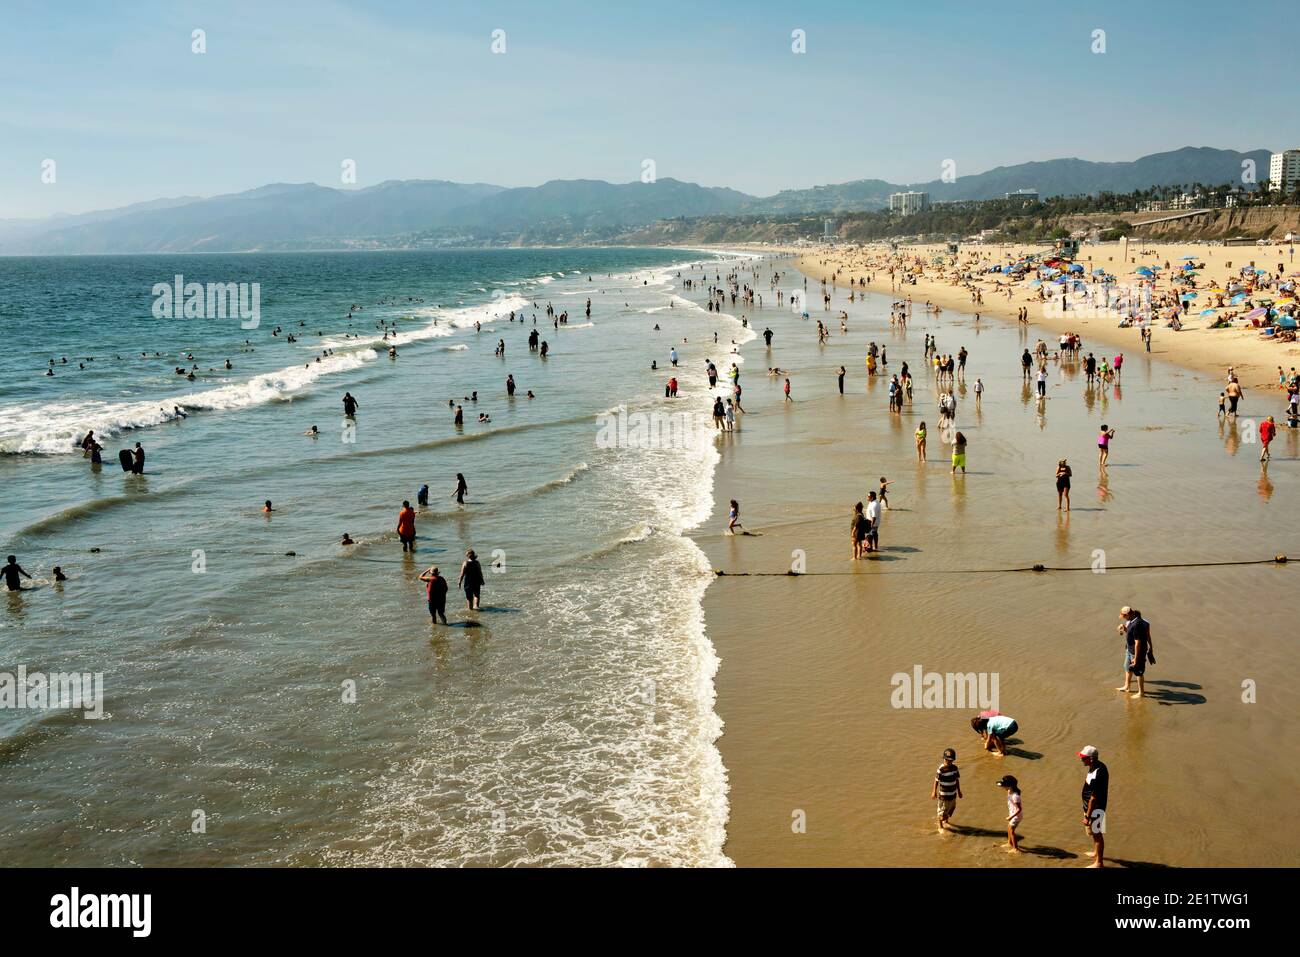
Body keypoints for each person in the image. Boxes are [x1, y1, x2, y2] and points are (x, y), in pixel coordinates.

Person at [1078, 745, 1108, 867]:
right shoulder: (1093, 766)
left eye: (1083, 758)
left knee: (1097, 833)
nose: (1081, 760)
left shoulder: (1099, 771)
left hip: (1096, 808)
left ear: (1091, 758)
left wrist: (1087, 816)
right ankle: (1096, 853)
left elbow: (1094, 797)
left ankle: (1099, 863)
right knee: (1095, 833)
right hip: (1090, 807)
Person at [1116, 606, 1154, 697]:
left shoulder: (1138, 624)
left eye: (1124, 616)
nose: (1124, 618)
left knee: (1138, 671)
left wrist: (1136, 658)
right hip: (1129, 649)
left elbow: (1138, 642)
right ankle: (1126, 687)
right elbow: (1132, 635)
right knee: (1127, 667)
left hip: (1136, 652)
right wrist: (1124, 629)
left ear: (1129, 614)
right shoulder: (1130, 621)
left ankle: (1141, 693)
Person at [931, 747, 962, 831]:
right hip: (944, 796)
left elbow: (957, 780)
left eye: (951, 760)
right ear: (944, 759)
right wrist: (934, 791)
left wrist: (959, 791)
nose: (949, 762)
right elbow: (936, 780)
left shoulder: (955, 768)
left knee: (951, 808)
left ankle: (946, 822)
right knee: (942, 812)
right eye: (947, 760)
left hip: (952, 794)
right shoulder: (941, 769)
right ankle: (940, 826)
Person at [996, 775, 1022, 853]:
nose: (1003, 787)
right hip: (1012, 813)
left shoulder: (1015, 796)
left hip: (1016, 815)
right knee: (1009, 828)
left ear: (1009, 786)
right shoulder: (1009, 791)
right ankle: (1009, 843)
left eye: (1004, 786)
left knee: (1011, 831)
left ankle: (1015, 849)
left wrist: (1011, 817)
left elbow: (1019, 809)